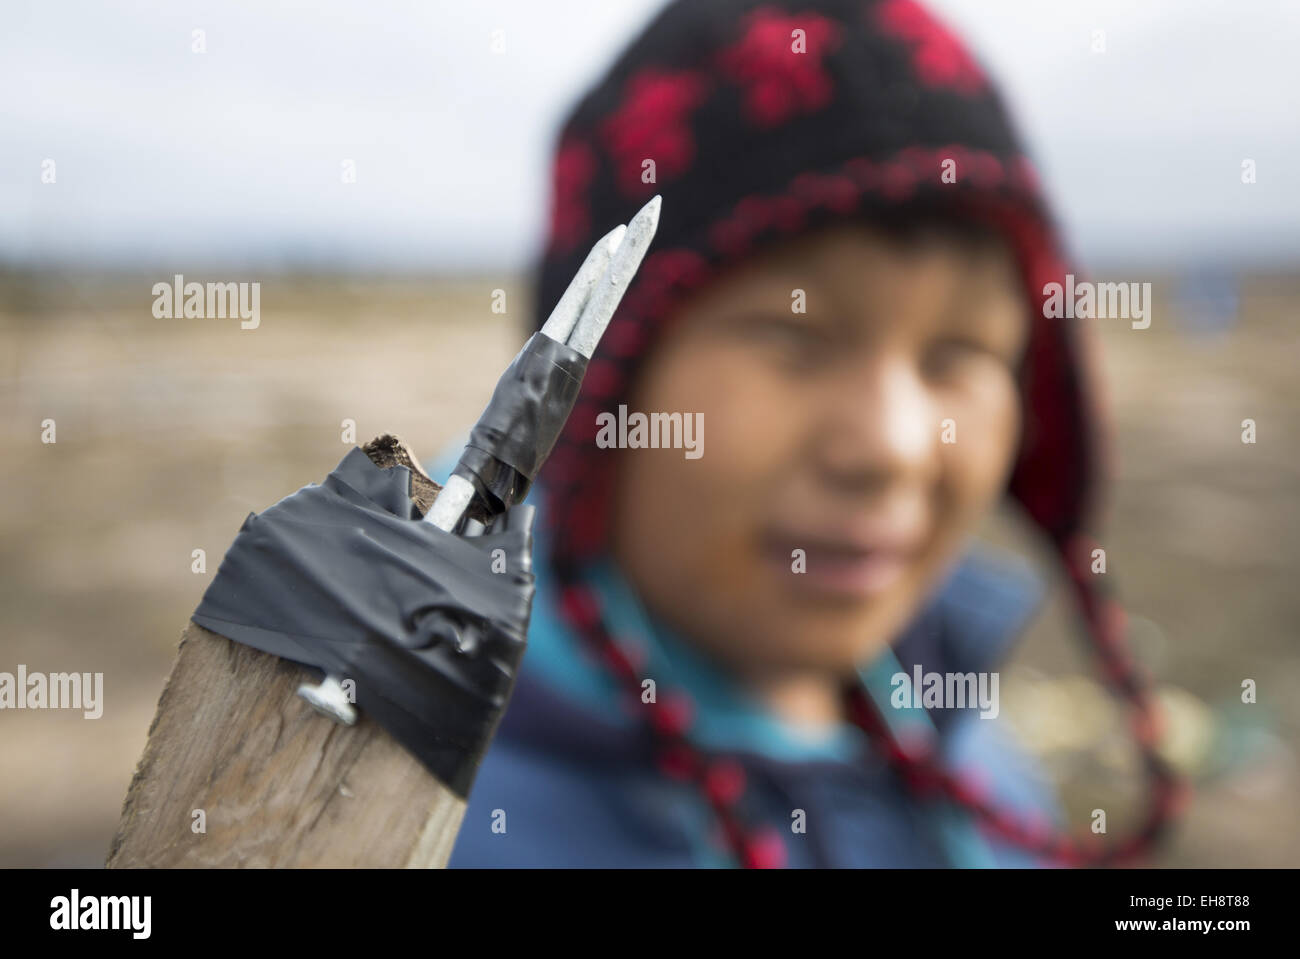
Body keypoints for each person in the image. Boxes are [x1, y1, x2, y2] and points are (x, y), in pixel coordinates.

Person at [432, 0, 1183, 867]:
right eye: (795, 339)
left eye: (959, 354)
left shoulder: (976, 763)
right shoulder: (413, 819)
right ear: (590, 398)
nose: (890, 448)